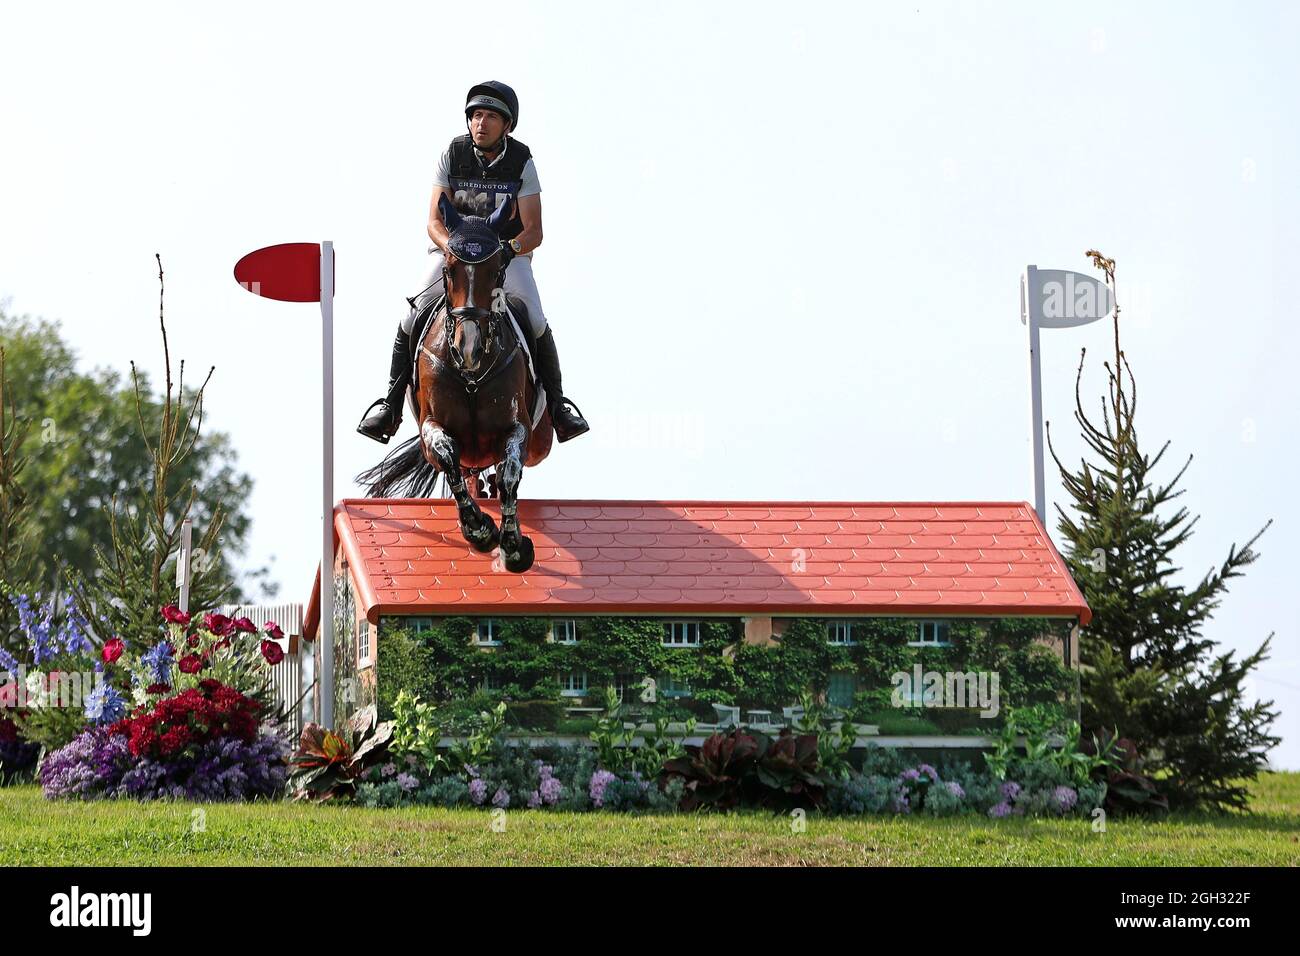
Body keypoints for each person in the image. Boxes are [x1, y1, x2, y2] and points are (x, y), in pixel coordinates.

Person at [357, 80, 590, 444]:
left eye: (490, 117)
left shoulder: (522, 162)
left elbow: (534, 230)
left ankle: (559, 407)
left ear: (507, 126)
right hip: (455, 254)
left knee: (535, 317)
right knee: (411, 313)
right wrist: (455, 248)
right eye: (475, 116)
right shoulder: (453, 153)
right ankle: (390, 407)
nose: (480, 123)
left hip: (505, 256)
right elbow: (433, 222)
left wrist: (508, 249)